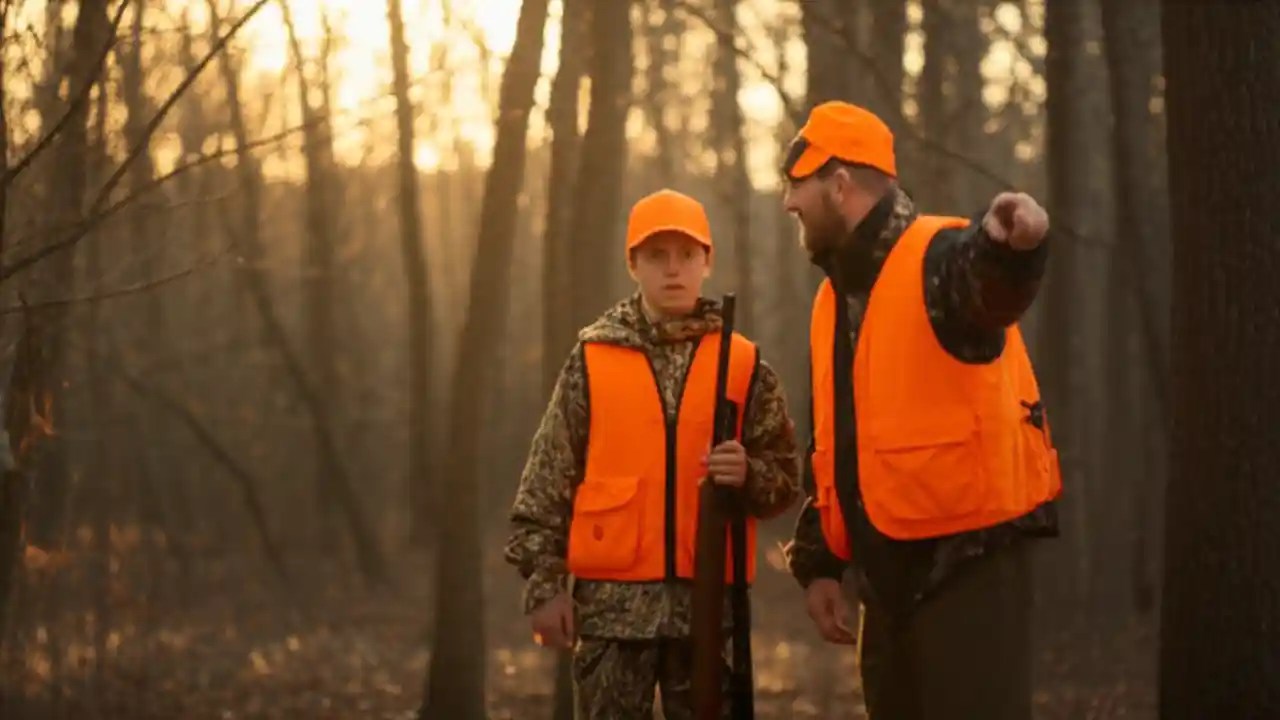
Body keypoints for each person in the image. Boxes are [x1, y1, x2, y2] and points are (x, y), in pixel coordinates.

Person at [779, 100, 1062, 720]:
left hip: (968, 579)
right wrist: (822, 564)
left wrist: (1013, 248)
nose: (788, 203)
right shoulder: (835, 300)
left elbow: (987, 286)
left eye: (796, 186)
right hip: (887, 592)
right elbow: (839, 444)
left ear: (841, 184)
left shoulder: (939, 257)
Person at [504, 188, 801, 719]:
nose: (673, 269)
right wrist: (545, 588)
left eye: (687, 254)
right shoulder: (592, 359)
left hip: (710, 611)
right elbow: (544, 486)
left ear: (707, 262)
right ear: (633, 264)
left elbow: (784, 480)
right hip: (611, 616)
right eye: (657, 255)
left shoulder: (743, 364)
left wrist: (748, 474)